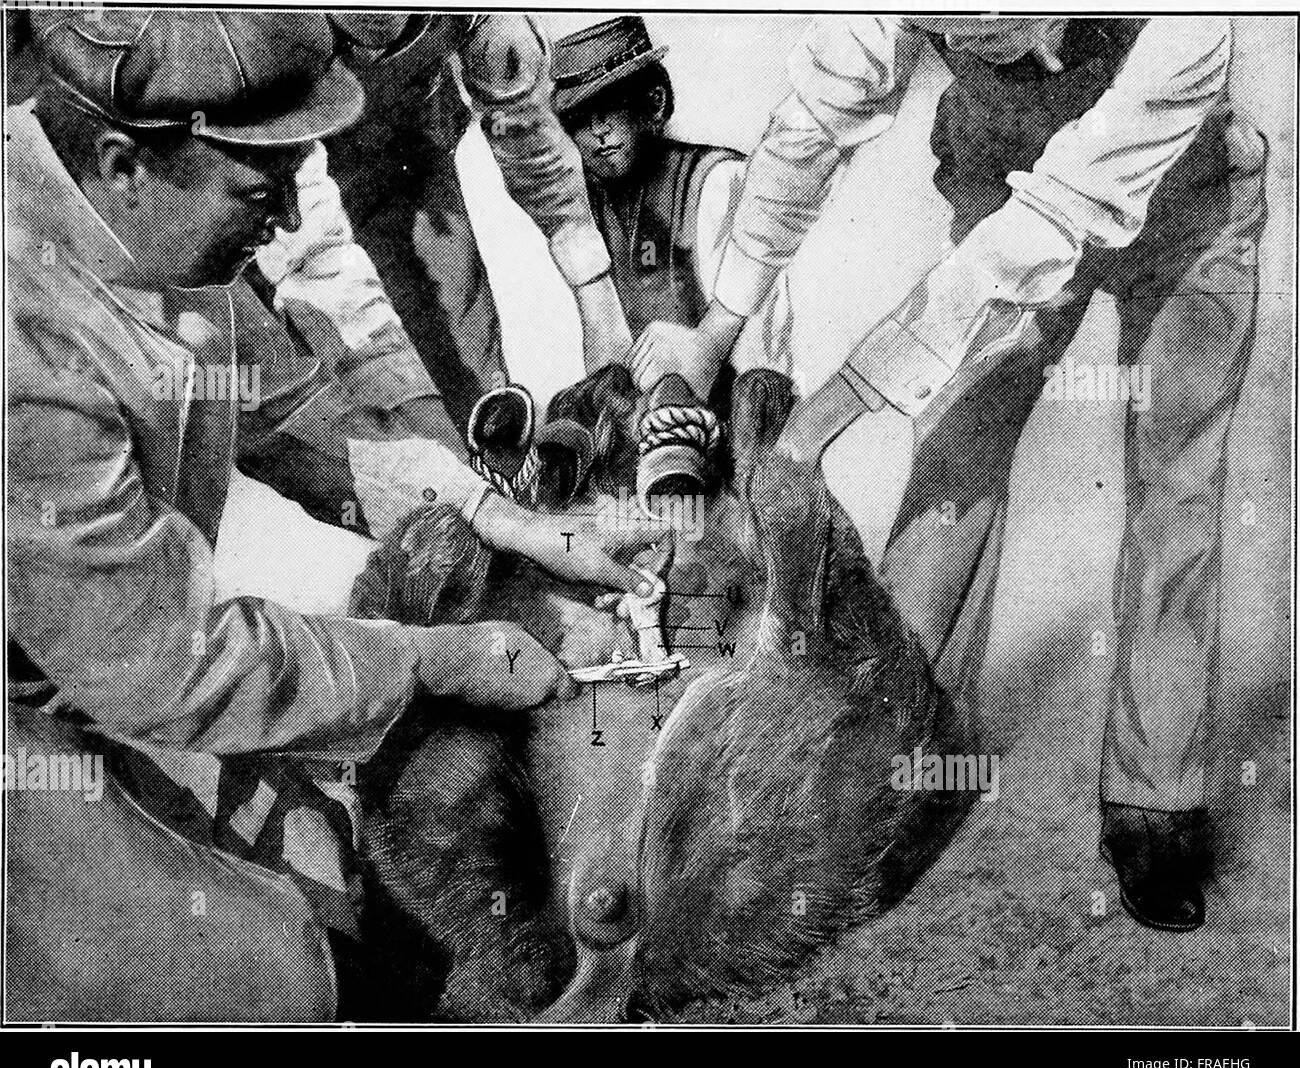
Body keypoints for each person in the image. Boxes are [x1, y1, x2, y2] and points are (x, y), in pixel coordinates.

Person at [6, 9, 665, 953]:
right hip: (43, 718)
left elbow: (307, 421)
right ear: (121, 164)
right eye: (257, 186)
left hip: (95, 675)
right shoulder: (24, 340)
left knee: (337, 865)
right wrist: (438, 658)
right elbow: (168, 661)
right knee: (276, 966)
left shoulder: (135, 218)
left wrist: (504, 519)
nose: (284, 219)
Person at [631, 16, 1268, 931]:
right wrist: (714, 334)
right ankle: (887, 766)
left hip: (1186, 206)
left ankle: (1153, 805)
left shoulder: (1187, 29)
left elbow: (1049, 225)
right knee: (956, 453)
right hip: (1002, 174)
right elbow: (814, 120)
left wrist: (836, 406)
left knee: (1178, 490)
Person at [258, 11, 637, 443]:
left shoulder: (483, 23)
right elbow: (313, 257)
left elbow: (526, 128)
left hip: (416, 162)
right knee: (395, 409)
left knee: (485, 403)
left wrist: (596, 297)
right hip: (298, 179)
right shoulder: (263, 38)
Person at [551, 16, 792, 381]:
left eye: (611, 105)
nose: (599, 130)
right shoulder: (590, 209)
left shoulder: (716, 181)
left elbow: (762, 364)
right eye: (581, 118)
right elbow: (608, 376)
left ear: (654, 103)